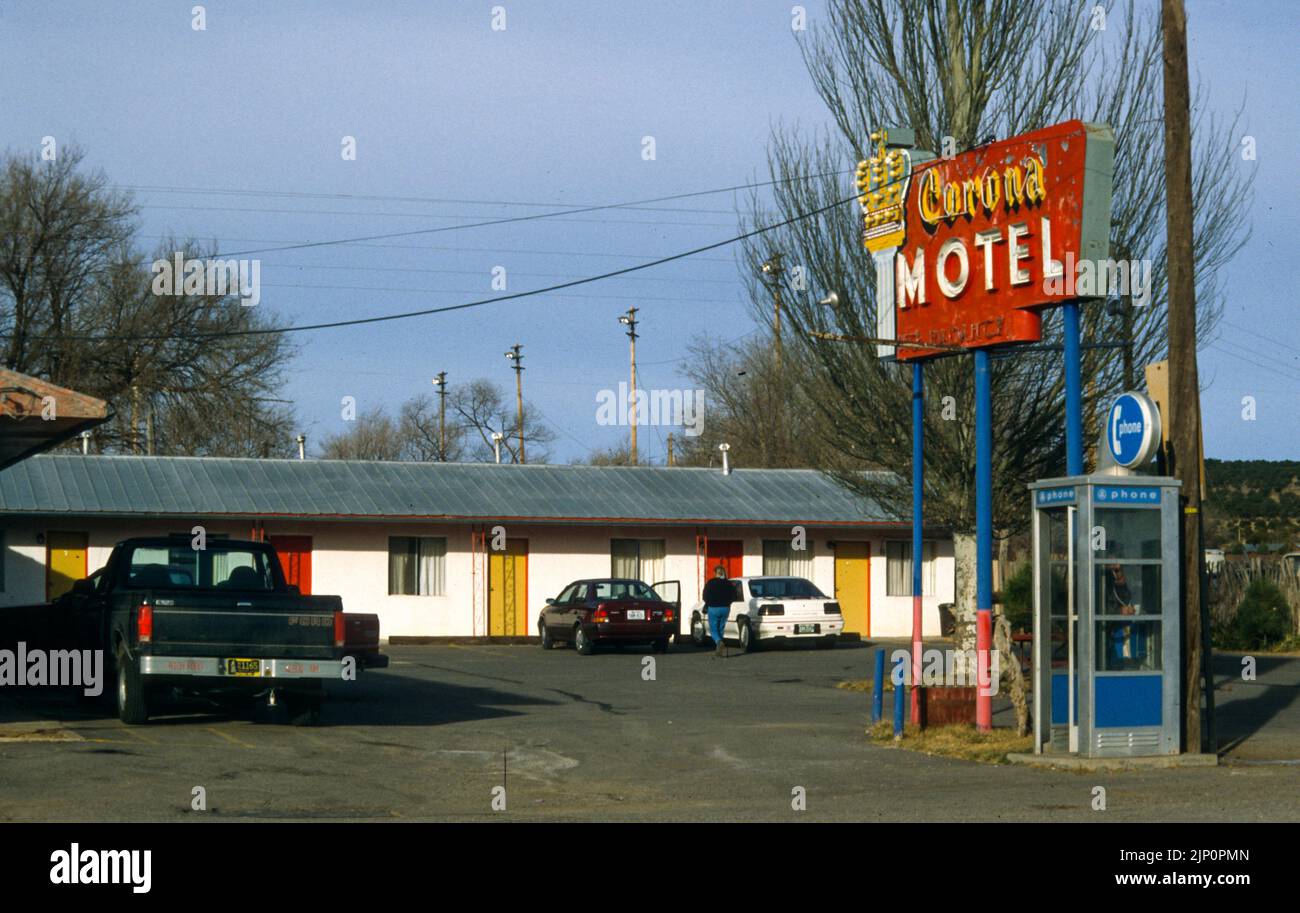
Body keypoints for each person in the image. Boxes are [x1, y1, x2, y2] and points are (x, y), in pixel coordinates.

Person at [701, 565, 736, 658]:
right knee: (721, 628)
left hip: (713, 608)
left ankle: (719, 642)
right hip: (725, 608)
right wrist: (728, 602)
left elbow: (704, 596)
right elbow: (734, 596)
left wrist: (709, 602)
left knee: (713, 629)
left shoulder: (710, 583)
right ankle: (719, 651)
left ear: (715, 573)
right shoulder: (729, 583)